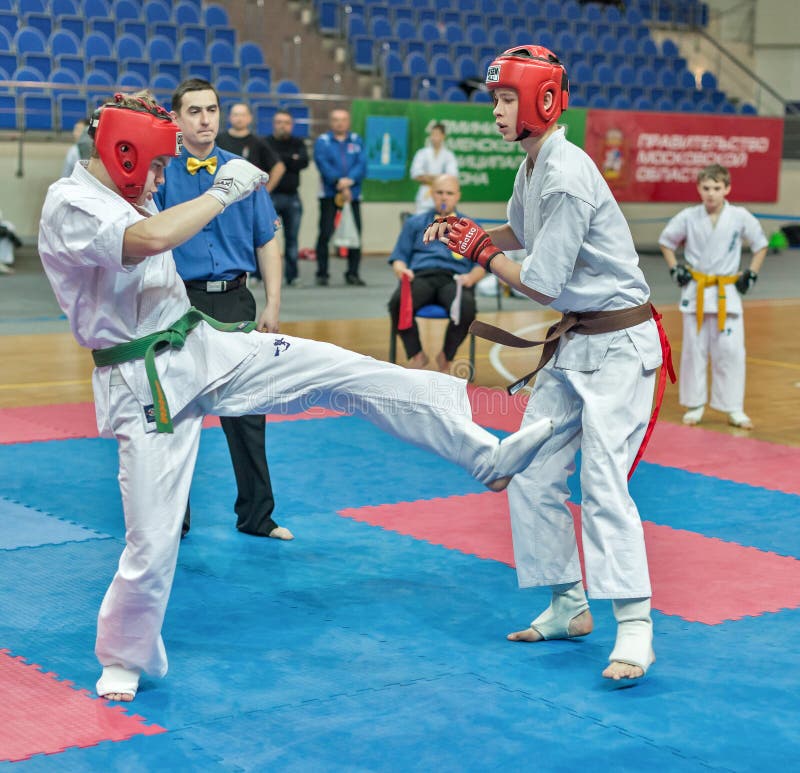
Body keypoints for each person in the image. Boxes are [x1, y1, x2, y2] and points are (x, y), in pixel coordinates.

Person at [37, 92, 555, 702]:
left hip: (203, 344)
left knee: (346, 371)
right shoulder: (69, 205)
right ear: (123, 153)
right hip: (142, 384)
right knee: (151, 539)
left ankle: (481, 455)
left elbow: (162, 225)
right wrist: (222, 192)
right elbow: (147, 240)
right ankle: (123, 656)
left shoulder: (132, 189)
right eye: (153, 167)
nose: (157, 180)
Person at [425, 46, 670, 682]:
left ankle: (637, 626)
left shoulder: (565, 172)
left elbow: (543, 284)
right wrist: (467, 231)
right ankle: (568, 601)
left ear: (541, 100)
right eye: (496, 100)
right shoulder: (534, 167)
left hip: (619, 347)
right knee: (529, 470)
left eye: (507, 99)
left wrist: (481, 253)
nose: (497, 112)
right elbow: (520, 236)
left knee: (602, 481)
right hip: (576, 344)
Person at [150, 79, 291, 542]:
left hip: (235, 298)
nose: (206, 119)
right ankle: (174, 520)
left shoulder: (245, 172)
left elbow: (267, 239)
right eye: (194, 111)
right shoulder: (162, 174)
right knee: (176, 414)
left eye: (211, 109)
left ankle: (257, 516)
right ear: (176, 118)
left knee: (248, 410)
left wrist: (273, 301)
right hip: (178, 300)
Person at [659, 164, 767, 430]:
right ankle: (695, 404)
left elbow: (760, 244)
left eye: (717, 188)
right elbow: (666, 241)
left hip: (726, 293)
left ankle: (733, 407)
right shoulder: (688, 216)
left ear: (727, 188)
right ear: (698, 189)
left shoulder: (740, 216)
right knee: (695, 351)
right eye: (706, 188)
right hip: (696, 290)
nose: (711, 194)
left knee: (730, 352)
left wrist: (751, 274)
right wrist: (675, 268)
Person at [388, 174, 484, 373]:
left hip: (454, 280)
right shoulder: (414, 223)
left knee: (467, 308)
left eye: (449, 193)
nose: (444, 197)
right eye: (439, 192)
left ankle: (446, 356)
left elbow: (481, 264)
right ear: (432, 194)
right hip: (421, 277)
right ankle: (416, 354)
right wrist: (401, 270)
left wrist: (471, 277)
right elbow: (399, 256)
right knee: (397, 302)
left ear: (457, 196)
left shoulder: (470, 226)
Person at [313, 108, 366, 286]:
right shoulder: (323, 141)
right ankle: (322, 273)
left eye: (343, 119)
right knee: (325, 233)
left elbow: (362, 164)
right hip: (329, 194)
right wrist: (338, 182)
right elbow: (322, 163)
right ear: (330, 122)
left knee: (355, 233)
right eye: (336, 119)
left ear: (348, 121)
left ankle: (353, 273)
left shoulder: (357, 140)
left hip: (352, 195)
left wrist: (349, 181)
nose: (340, 123)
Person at [264, 109, 310, 287]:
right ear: (274, 124)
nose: (282, 126)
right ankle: (261, 276)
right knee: (265, 238)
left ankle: (292, 276)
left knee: (292, 239)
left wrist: (280, 159)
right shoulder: (266, 142)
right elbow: (264, 162)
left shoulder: (298, 142)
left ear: (291, 125)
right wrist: (291, 159)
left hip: (293, 198)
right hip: (270, 197)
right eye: (279, 122)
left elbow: (303, 162)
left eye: (286, 122)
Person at [216, 102, 285, 193]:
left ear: (250, 118)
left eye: (243, 115)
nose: (239, 118)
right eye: (236, 115)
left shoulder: (258, 142)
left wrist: (266, 192)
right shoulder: (218, 140)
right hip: (221, 193)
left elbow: (279, 167)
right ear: (229, 117)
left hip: (248, 196)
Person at [409, 122, 459, 215]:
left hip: (443, 198)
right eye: (432, 134)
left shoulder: (449, 155)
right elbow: (416, 174)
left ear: (443, 136)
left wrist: (427, 177)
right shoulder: (422, 153)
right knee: (421, 222)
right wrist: (441, 179)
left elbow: (451, 177)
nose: (434, 137)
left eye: (437, 134)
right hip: (425, 198)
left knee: (442, 220)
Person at [0, 209, 22, 274]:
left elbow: (18, 244)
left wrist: (8, 233)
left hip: (5, 259)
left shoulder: (7, 226)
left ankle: (3, 268)